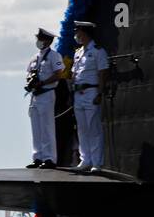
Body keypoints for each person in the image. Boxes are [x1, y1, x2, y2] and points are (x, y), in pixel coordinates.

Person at [71, 20, 109, 173]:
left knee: (93, 128)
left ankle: (96, 162)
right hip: (78, 93)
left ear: (84, 32)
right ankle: (85, 159)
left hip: (91, 92)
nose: (76, 35)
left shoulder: (98, 51)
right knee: (82, 128)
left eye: (78, 32)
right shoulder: (78, 53)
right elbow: (74, 74)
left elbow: (103, 73)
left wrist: (100, 93)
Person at [25, 27, 64, 169]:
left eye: (40, 39)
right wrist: (31, 82)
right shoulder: (34, 58)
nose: (38, 41)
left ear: (47, 41)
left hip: (47, 92)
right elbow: (29, 74)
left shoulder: (54, 56)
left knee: (47, 126)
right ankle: (38, 156)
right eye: (38, 39)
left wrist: (43, 82)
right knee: (36, 127)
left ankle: (49, 158)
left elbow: (59, 73)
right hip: (35, 95)